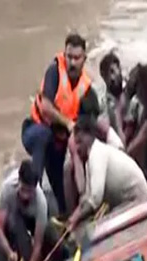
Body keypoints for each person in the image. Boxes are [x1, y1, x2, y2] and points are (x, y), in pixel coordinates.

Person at [21, 33, 101, 215]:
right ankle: (33, 196)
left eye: (76, 58)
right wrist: (69, 124)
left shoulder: (87, 90)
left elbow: (90, 128)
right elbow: (47, 108)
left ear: (84, 59)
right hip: (35, 131)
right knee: (43, 135)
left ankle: (67, 214)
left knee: (62, 195)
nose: (72, 63)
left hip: (58, 145)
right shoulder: (55, 71)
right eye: (69, 57)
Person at [66, 114, 147, 230]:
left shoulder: (97, 153)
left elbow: (95, 199)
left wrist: (76, 218)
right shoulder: (89, 161)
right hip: (124, 203)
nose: (78, 148)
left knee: (101, 228)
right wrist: (73, 218)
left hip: (137, 201)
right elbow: (87, 196)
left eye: (80, 142)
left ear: (89, 136)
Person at [0, 159, 60, 261]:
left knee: (53, 238)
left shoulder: (41, 203)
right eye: (23, 190)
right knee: (25, 249)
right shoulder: (7, 189)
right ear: (18, 181)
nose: (26, 196)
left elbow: (37, 246)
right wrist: (9, 252)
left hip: (33, 216)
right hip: (15, 213)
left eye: (30, 192)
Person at [98, 52, 141, 142]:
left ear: (120, 69)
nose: (112, 78)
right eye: (108, 74)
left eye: (113, 71)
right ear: (103, 77)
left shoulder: (132, 93)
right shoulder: (105, 104)